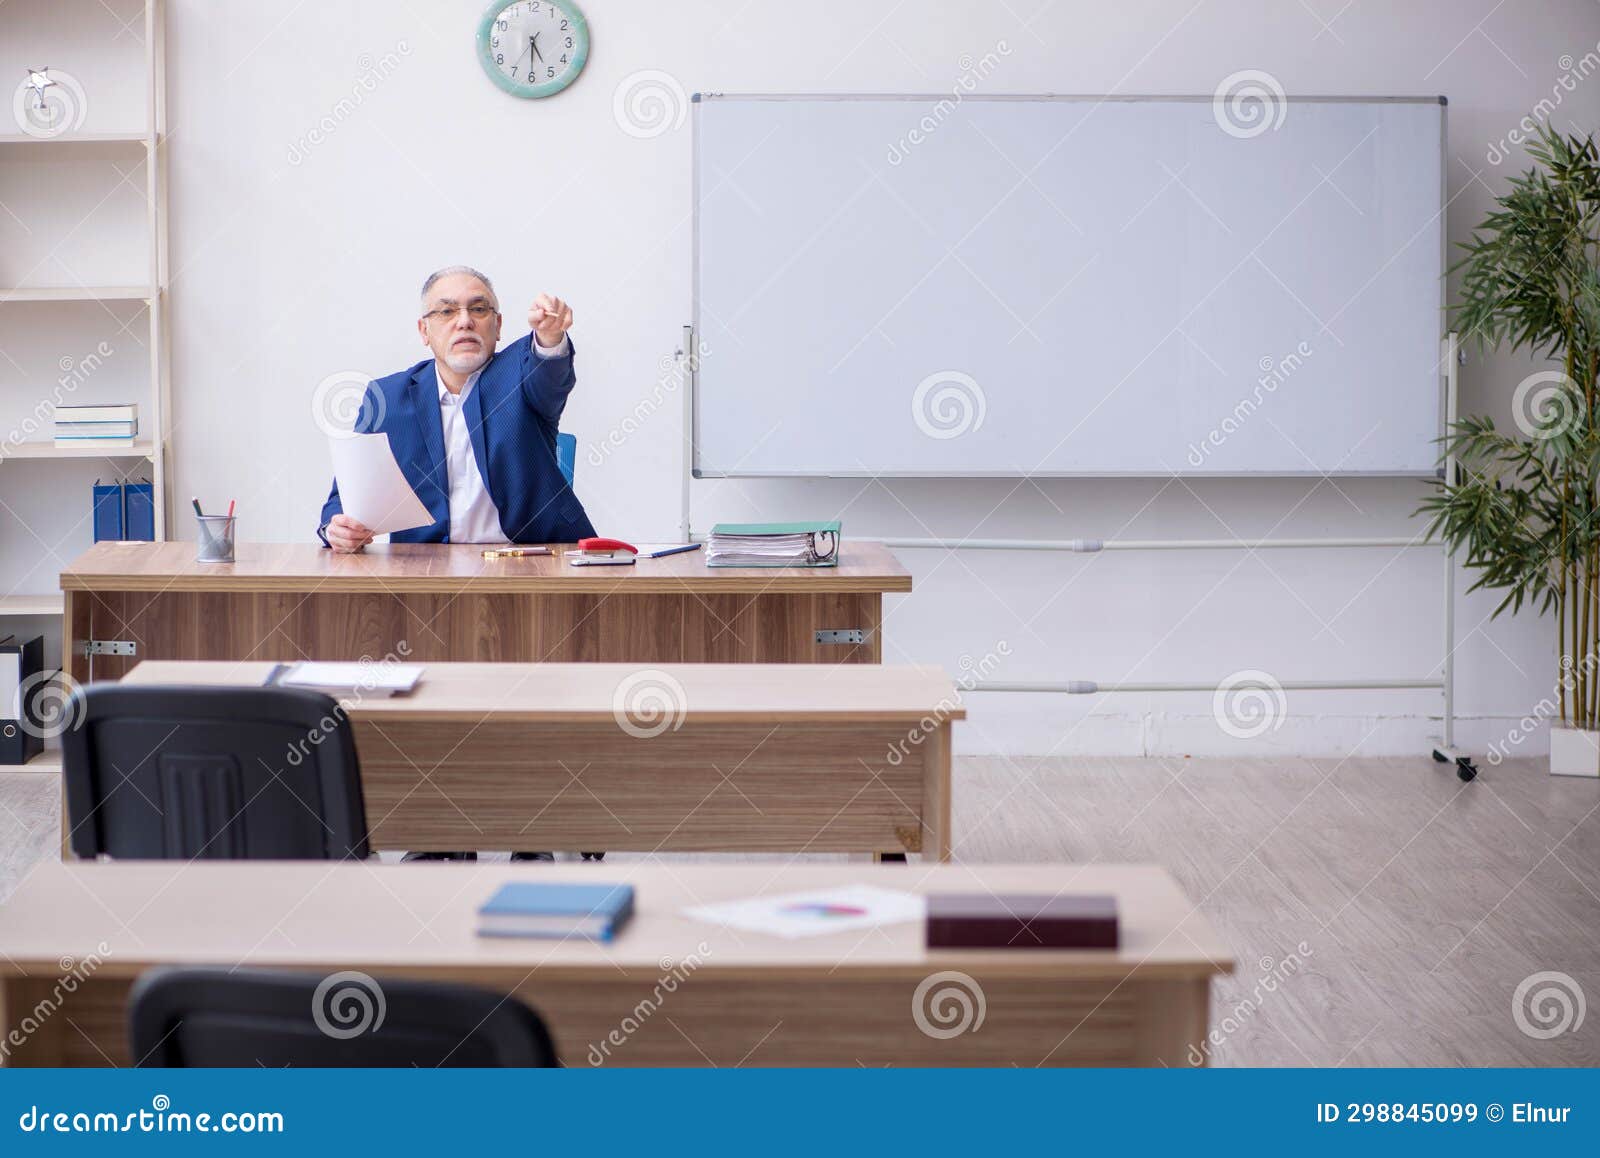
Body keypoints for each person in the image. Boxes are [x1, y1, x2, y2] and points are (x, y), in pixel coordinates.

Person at [318, 265, 595, 864]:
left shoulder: (519, 375)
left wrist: (549, 338)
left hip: (531, 570)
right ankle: (440, 832)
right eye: (447, 311)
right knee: (430, 700)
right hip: (426, 579)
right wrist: (337, 527)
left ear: (498, 326)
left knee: (533, 697)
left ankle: (534, 827)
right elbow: (341, 498)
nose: (463, 320)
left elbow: (552, 375)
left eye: (479, 308)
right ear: (425, 330)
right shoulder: (388, 396)